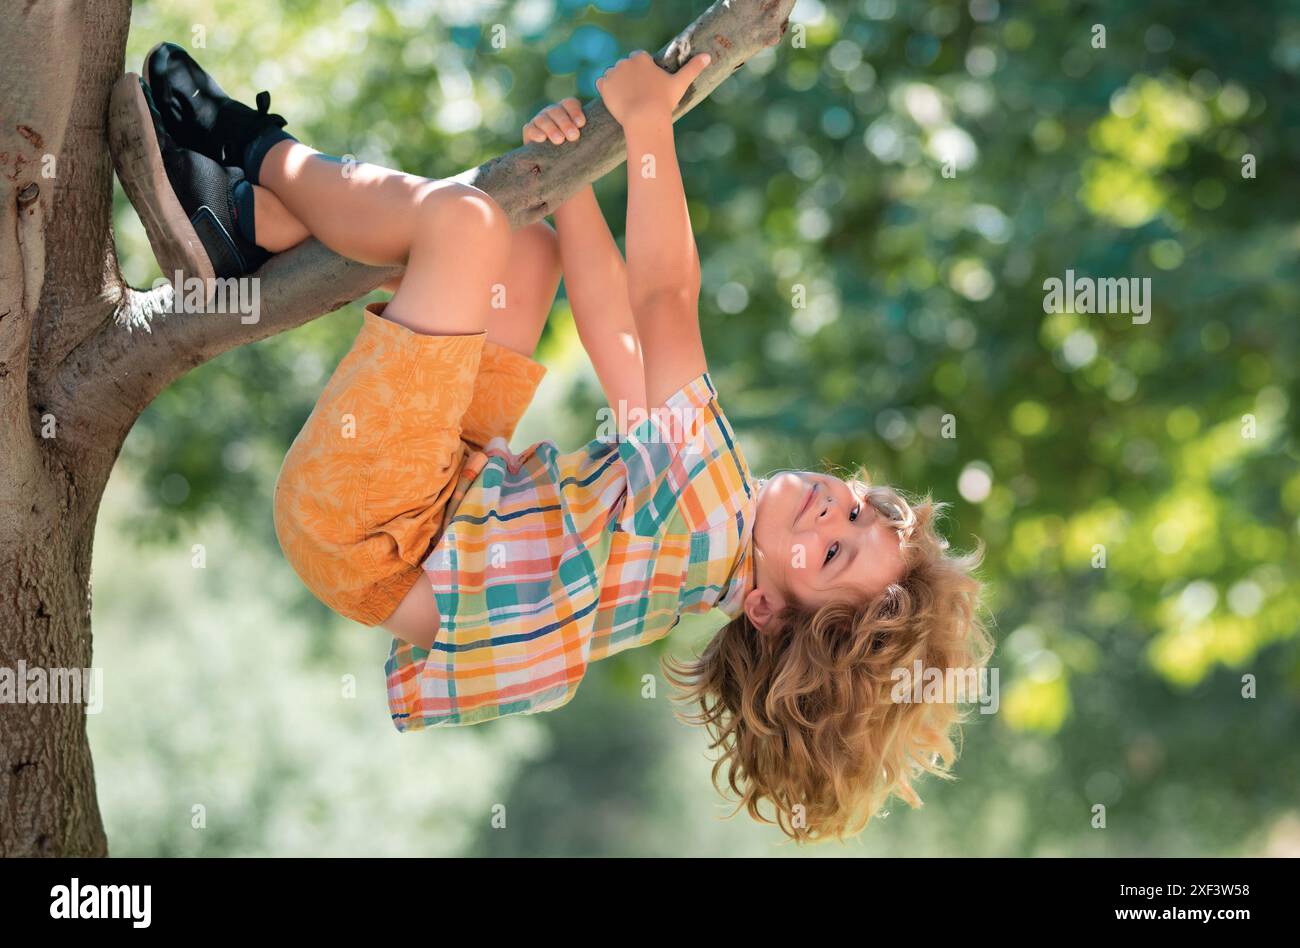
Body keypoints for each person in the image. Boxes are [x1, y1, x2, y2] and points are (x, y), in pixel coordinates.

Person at [110, 41, 991, 841]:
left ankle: (247, 144)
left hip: (370, 523)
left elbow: (663, 302)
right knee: (522, 248)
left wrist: (648, 126)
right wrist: (569, 184)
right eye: (860, 508)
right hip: (422, 510)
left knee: (462, 225)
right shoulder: (697, 554)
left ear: (767, 610)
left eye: (833, 551)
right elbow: (620, 340)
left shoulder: (713, 512)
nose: (833, 505)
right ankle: (245, 232)